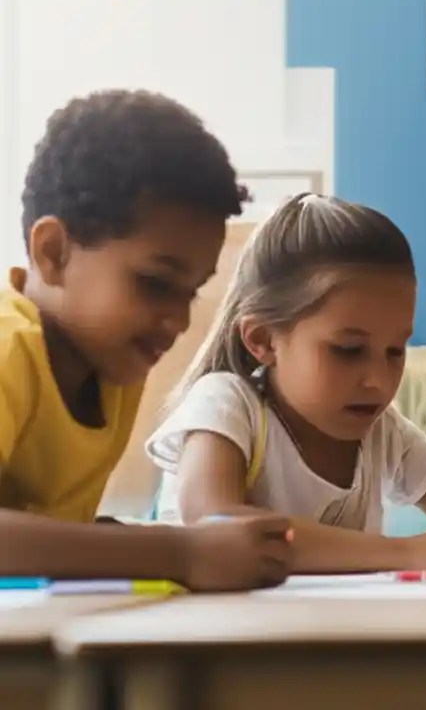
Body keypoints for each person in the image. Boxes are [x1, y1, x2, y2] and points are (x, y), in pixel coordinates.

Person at [0, 90, 293, 590]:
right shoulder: (9, 347)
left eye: (192, 293)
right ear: (53, 252)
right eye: (155, 283)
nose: (178, 320)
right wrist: (177, 551)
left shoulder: (108, 368)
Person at [148, 194, 426, 574]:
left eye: (396, 350)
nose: (379, 381)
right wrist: (406, 554)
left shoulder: (385, 434)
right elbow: (214, 526)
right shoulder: (227, 405)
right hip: (204, 631)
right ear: (263, 340)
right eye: (348, 350)